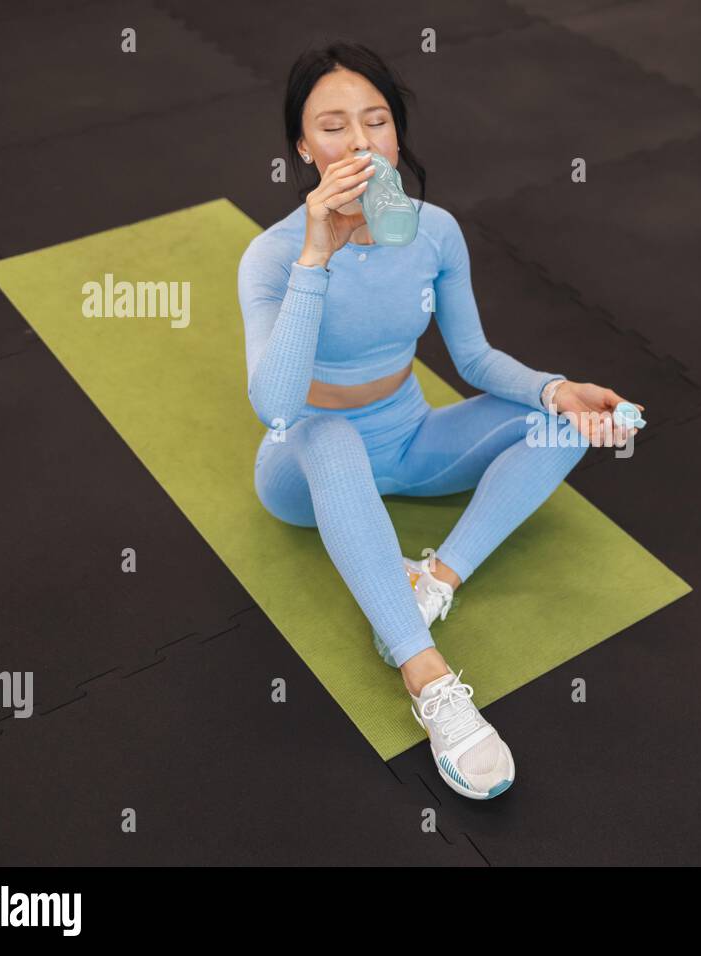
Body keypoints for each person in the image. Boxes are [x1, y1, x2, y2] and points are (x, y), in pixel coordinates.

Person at [237, 40, 644, 800]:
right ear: (301, 144)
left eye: (377, 120)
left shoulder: (435, 231)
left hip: (409, 436)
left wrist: (557, 389)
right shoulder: (269, 258)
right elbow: (278, 409)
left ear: (397, 134)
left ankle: (435, 577)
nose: (360, 142)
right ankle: (430, 682)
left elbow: (476, 358)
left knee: (559, 423)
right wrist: (316, 255)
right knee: (327, 433)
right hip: (304, 463)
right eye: (333, 126)